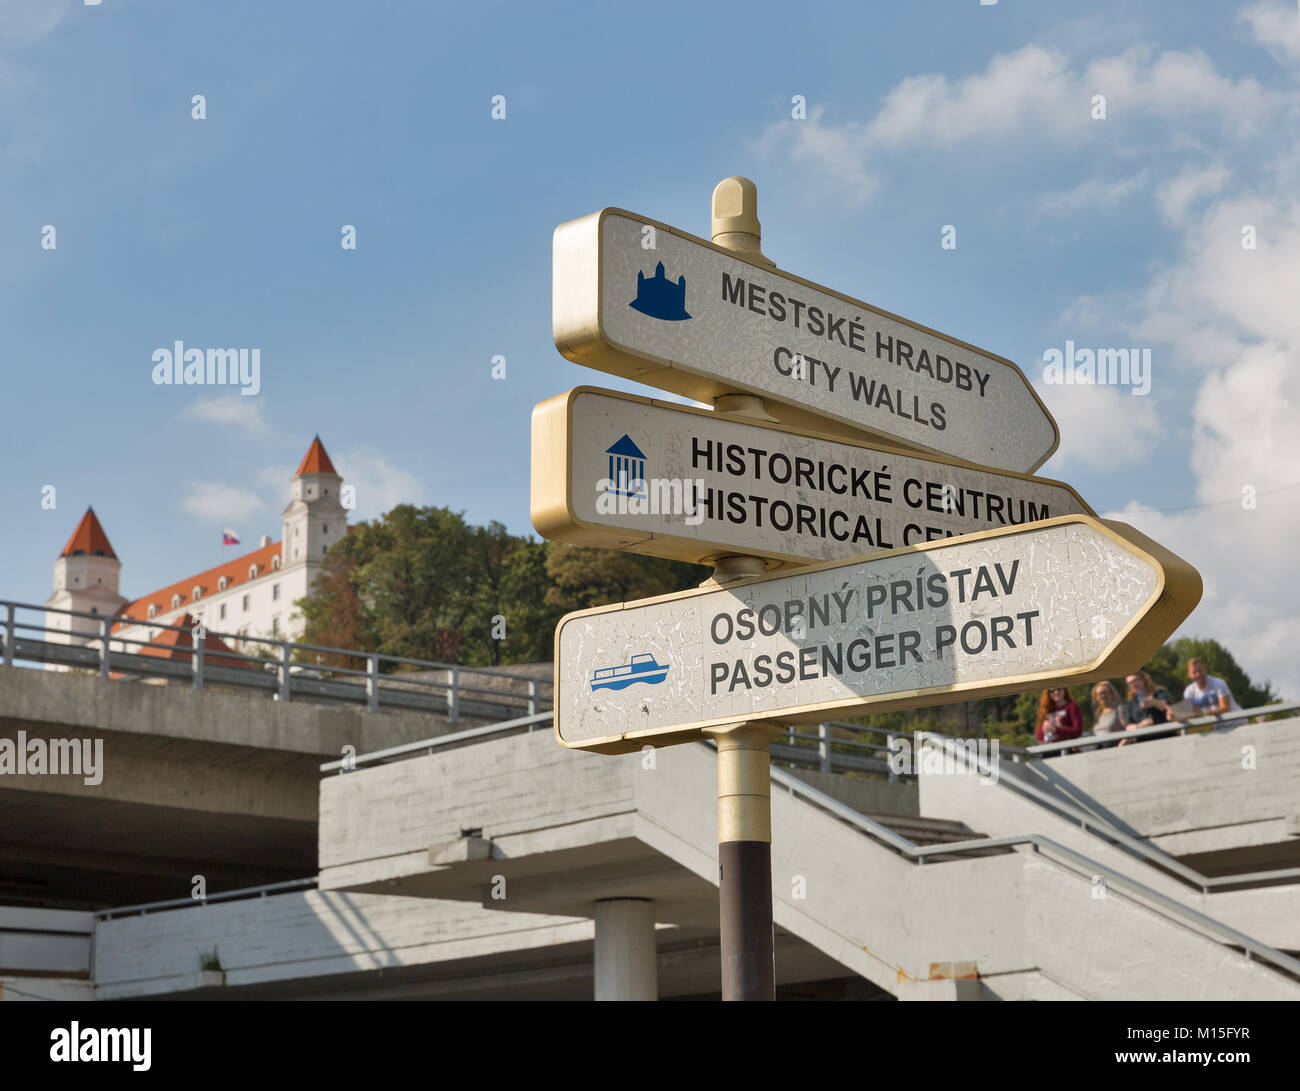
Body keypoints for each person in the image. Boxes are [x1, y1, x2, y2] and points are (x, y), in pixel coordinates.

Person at [1118, 670, 1176, 745]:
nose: (1133, 684)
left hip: (1166, 737)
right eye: (1130, 683)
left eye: (1135, 680)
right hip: (1144, 742)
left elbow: (1168, 707)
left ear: (1143, 679)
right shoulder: (1131, 704)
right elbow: (1128, 726)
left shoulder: (1159, 693)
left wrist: (1153, 702)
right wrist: (1142, 725)